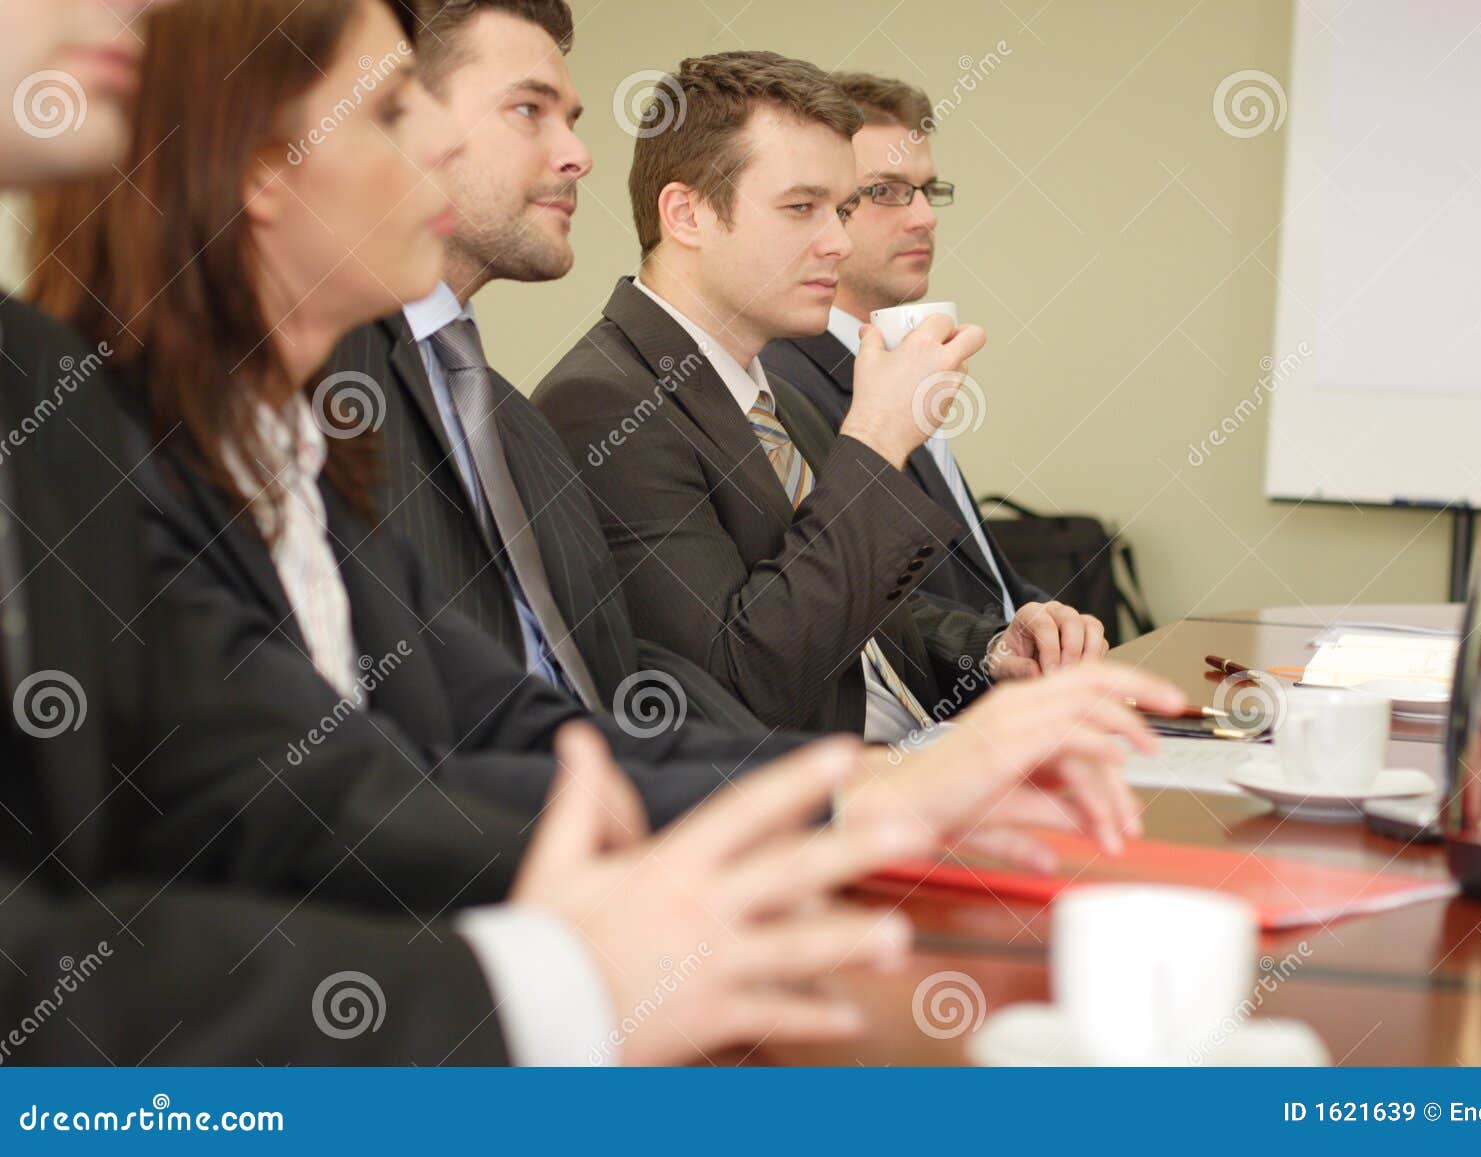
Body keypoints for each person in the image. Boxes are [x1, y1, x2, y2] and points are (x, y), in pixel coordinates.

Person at [5, 0, 1189, 1066]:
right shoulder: (554, 406)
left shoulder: (368, 433)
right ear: (263, 167)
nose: (443, 148)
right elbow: (346, 801)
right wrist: (560, 972)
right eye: (396, 111)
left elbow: (449, 740)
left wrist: (867, 789)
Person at [536, 52, 1111, 740]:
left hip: (924, 755)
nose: (838, 242)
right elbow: (737, 687)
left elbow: (866, 627)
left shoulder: (775, 395)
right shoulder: (604, 404)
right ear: (687, 214)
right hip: (827, 794)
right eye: (801, 208)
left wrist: (990, 650)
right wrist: (876, 440)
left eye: (840, 211)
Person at [326, 0, 763, 732]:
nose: (579, 155)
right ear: (403, 122)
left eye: (573, 119)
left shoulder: (514, 423)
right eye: (528, 110)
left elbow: (606, 665)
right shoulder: (315, 380)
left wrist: (829, 776)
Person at [762, 72, 1054, 622]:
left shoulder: (901, 359)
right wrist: (995, 648)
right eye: (886, 191)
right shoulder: (779, 385)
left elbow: (976, 577)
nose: (925, 217)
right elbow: (845, 605)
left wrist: (1042, 619)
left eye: (927, 190)